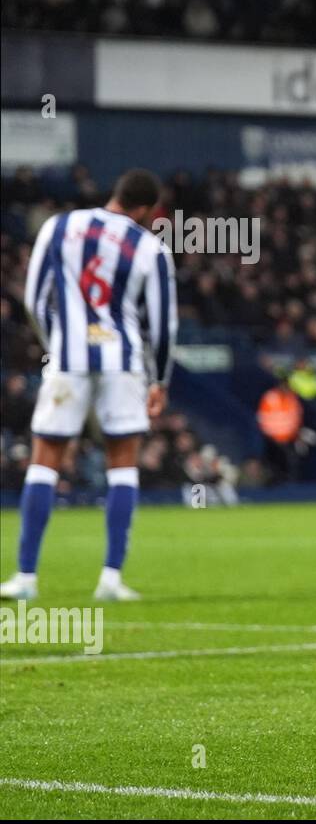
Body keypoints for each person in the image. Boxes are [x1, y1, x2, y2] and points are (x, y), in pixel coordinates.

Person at [2, 168, 177, 602]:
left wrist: (56, 344)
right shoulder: (150, 248)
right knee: (122, 466)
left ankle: (25, 578)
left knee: (45, 461)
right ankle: (110, 580)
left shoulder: (59, 226)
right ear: (144, 209)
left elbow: (33, 299)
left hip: (68, 361)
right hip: (123, 363)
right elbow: (163, 323)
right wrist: (160, 380)